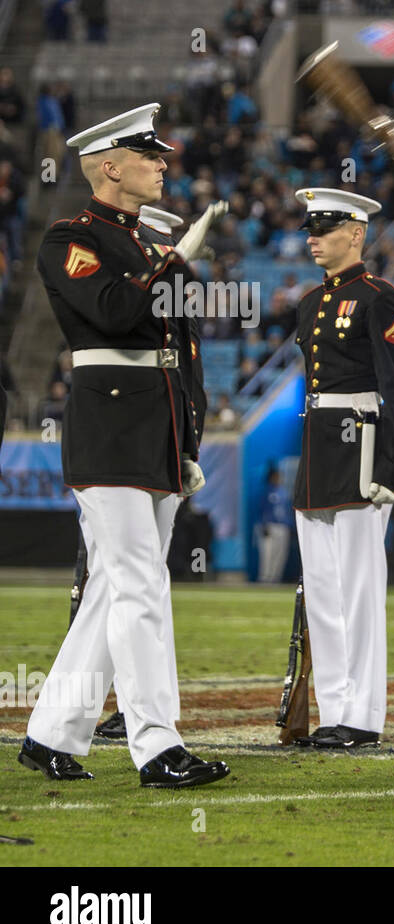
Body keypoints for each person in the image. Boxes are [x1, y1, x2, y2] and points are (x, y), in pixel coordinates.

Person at [22, 103, 229, 788]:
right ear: (110, 167)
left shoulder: (145, 247)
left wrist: (190, 440)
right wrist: (171, 266)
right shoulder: (68, 238)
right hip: (109, 426)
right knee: (141, 583)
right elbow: (110, 312)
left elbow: (184, 353)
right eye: (149, 155)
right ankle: (157, 745)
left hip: (159, 425)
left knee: (117, 586)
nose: (163, 164)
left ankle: (52, 733)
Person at [290, 188, 394, 750]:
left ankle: (361, 716)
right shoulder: (311, 303)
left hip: (361, 444)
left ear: (357, 233)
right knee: (322, 588)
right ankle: (334, 710)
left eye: (326, 227)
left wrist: (392, 467)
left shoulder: (380, 298)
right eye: (311, 228)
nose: (313, 236)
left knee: (359, 590)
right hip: (318, 447)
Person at [94, 203, 202, 742]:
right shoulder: (114, 278)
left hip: (161, 440)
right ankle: (117, 706)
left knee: (136, 582)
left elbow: (189, 367)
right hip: (118, 437)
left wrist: (190, 445)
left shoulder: (175, 295)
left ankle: (145, 706)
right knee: (117, 584)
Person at [257, 466, 293, 583]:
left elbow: (288, 511)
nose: (279, 478)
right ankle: (264, 579)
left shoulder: (284, 492)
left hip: (283, 526)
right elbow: (262, 510)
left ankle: (275, 579)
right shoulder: (266, 491)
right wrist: (263, 525)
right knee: (267, 555)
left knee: (280, 555)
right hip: (270, 526)